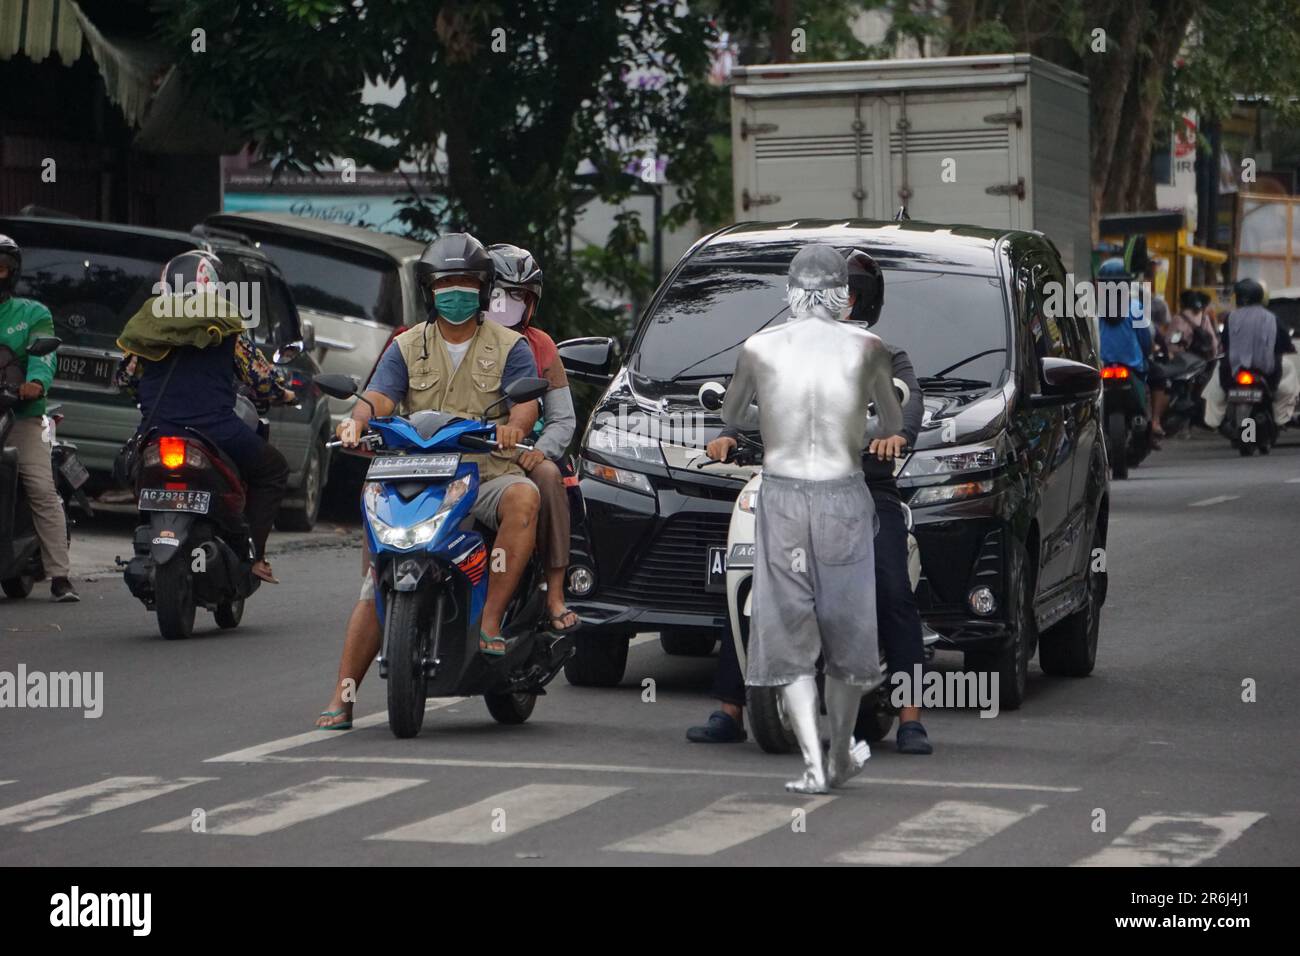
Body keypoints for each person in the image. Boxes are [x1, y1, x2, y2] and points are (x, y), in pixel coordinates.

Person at [689, 249, 933, 755]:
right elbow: (748, 406)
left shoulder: (883, 355)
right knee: (748, 571)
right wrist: (727, 436)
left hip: (863, 488)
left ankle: (911, 716)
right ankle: (730, 707)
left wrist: (893, 437)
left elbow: (904, 412)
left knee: (891, 587)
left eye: (843, 294)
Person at [315, 232, 541, 730]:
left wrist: (514, 428)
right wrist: (356, 419)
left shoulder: (511, 346)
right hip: (410, 474)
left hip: (482, 475)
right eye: (445, 284)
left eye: (466, 283)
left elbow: (526, 403)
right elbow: (378, 396)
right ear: (428, 290)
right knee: (376, 577)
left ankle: (490, 620)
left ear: (483, 291)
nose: (455, 292)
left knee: (525, 497)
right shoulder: (404, 346)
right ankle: (343, 694)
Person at [116, 250, 289, 583]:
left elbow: (125, 378)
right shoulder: (227, 324)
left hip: (155, 431)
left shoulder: (146, 325)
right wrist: (283, 393)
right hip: (217, 431)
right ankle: (253, 556)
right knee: (274, 469)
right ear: (214, 285)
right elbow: (262, 379)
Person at [485, 243, 579, 633]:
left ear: (531, 302)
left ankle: (555, 593)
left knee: (548, 478)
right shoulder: (454, 340)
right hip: (469, 455)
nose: (509, 304)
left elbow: (563, 419)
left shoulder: (541, 346)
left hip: (525, 457)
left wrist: (540, 452)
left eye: (519, 296)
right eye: (500, 294)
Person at [0, 234, 77, 601]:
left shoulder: (32, 313)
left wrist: (35, 382)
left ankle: (60, 576)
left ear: (11, 273)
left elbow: (44, 355)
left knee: (41, 490)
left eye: (0, 267)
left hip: (21, 417)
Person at [1202, 277, 1299, 429]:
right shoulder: (1272, 318)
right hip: (1267, 368)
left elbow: (1225, 343)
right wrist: (1287, 348)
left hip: (1233, 369)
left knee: (1215, 384)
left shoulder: (1231, 317)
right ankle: (1281, 417)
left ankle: (1212, 420)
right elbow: (1284, 341)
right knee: (1289, 377)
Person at [1168, 289, 1219, 361]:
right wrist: (1213, 355)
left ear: (1182, 303)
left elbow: (1172, 343)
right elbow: (1213, 341)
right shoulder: (1204, 317)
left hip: (1185, 361)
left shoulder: (1178, 319)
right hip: (1202, 360)